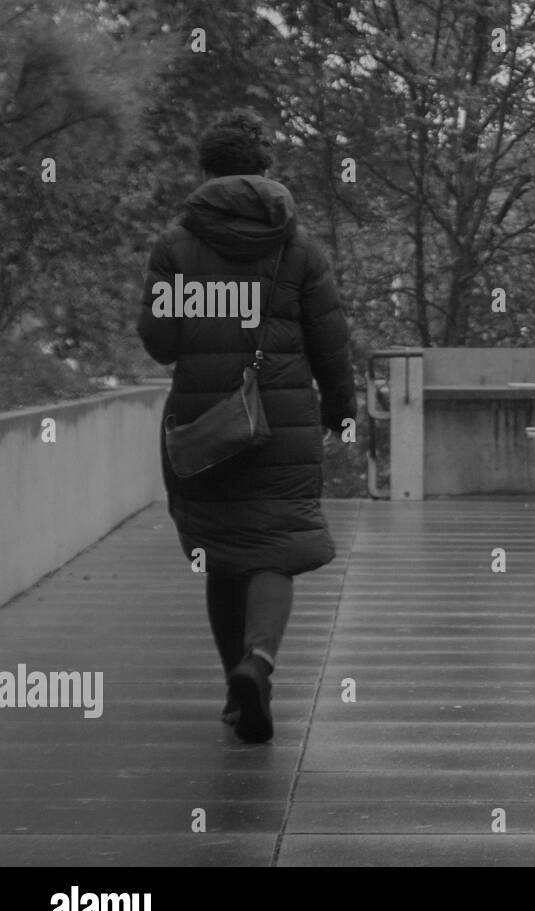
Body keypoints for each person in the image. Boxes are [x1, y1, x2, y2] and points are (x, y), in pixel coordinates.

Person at [136, 109, 356, 743]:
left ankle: (235, 694)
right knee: (275, 548)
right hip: (282, 418)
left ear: (204, 171)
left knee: (220, 549)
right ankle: (257, 664)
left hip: (204, 419)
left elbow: (159, 341)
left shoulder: (176, 244)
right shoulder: (300, 246)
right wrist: (341, 407)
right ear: (265, 171)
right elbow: (330, 340)